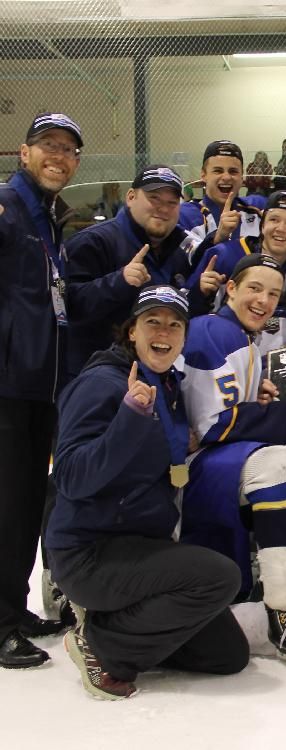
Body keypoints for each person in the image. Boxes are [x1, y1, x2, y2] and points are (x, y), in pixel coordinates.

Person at [46, 286, 249, 699]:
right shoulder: (103, 383)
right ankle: (102, 647)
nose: (164, 331)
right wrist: (130, 418)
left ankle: (115, 623)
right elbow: (71, 478)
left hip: (138, 546)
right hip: (90, 553)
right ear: (132, 333)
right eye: (152, 322)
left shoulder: (166, 383)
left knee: (228, 655)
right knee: (218, 577)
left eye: (175, 325)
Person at [180, 253, 286, 668]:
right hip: (181, 472)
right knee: (284, 465)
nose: (264, 300)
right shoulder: (216, 331)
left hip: (199, 465)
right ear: (230, 288)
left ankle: (280, 605)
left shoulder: (241, 337)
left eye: (273, 293)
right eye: (254, 288)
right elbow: (211, 425)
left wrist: (261, 403)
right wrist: (284, 414)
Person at [0, 112, 83, 669]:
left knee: (26, 505)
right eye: (47, 145)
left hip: (36, 388)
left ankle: (13, 606)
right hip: (7, 386)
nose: (58, 155)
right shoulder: (8, 211)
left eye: (69, 149)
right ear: (23, 153)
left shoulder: (47, 220)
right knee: (6, 506)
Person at [65, 164, 198, 376]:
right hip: (98, 380)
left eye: (172, 202)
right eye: (154, 198)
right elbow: (69, 307)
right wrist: (120, 281)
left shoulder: (180, 251)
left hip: (154, 377)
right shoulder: (93, 242)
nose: (163, 208)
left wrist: (201, 291)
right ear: (130, 197)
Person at [178, 140, 264, 259]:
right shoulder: (185, 216)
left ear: (241, 176)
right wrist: (217, 238)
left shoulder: (256, 208)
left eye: (233, 171)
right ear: (203, 174)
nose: (227, 177)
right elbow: (184, 264)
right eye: (218, 171)